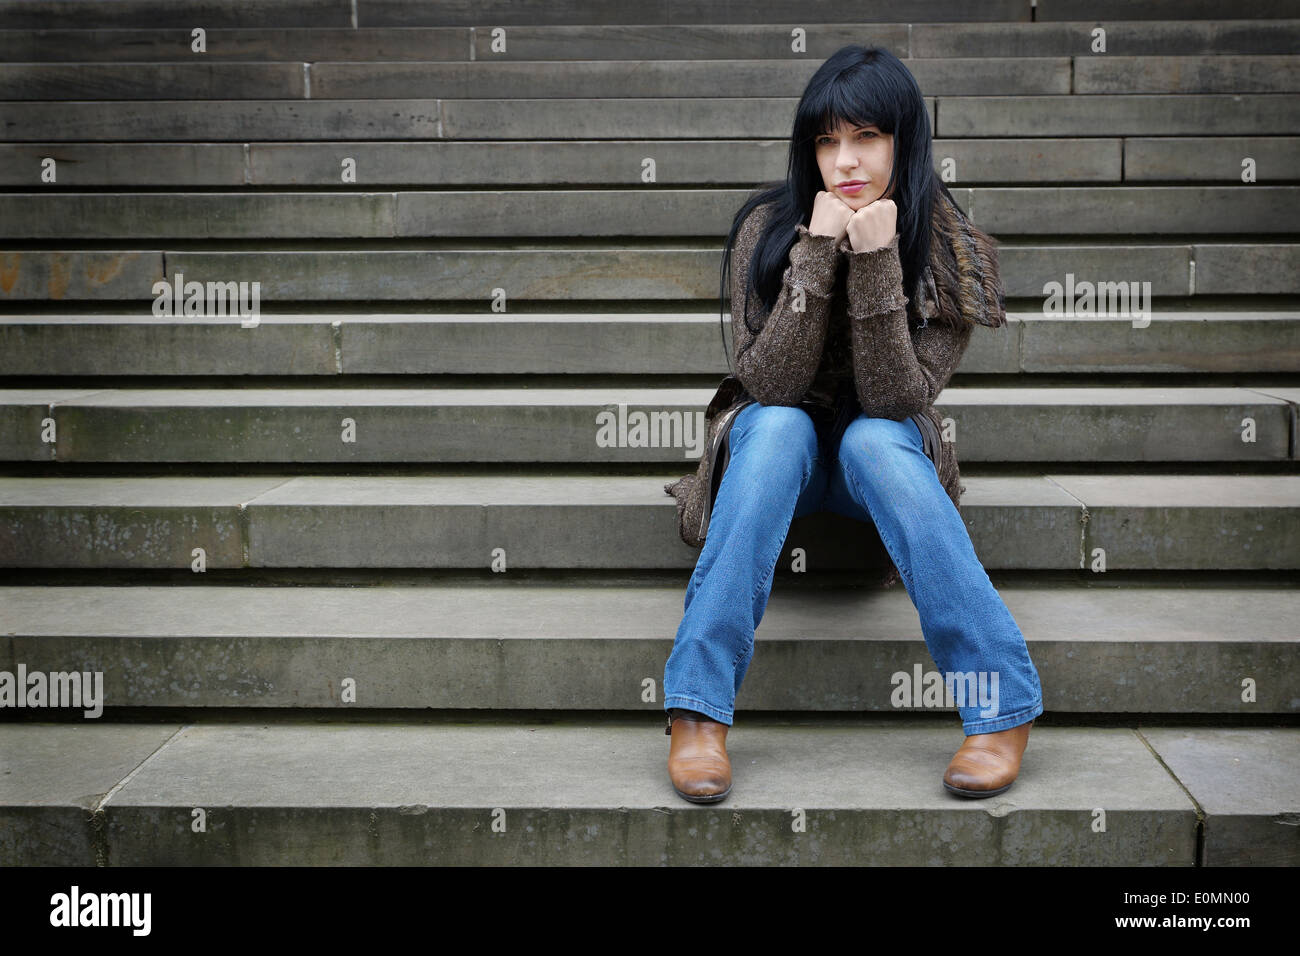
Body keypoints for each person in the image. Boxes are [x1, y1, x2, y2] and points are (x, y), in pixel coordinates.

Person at [660, 45, 1044, 804]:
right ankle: (697, 712)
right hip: (782, 462)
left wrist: (874, 265)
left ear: (905, 139)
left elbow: (896, 399)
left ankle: (1001, 712)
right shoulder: (769, 229)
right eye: (827, 141)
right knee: (775, 428)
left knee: (873, 437)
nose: (845, 162)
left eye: (865, 137)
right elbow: (766, 382)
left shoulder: (951, 255)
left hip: (884, 459)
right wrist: (815, 254)